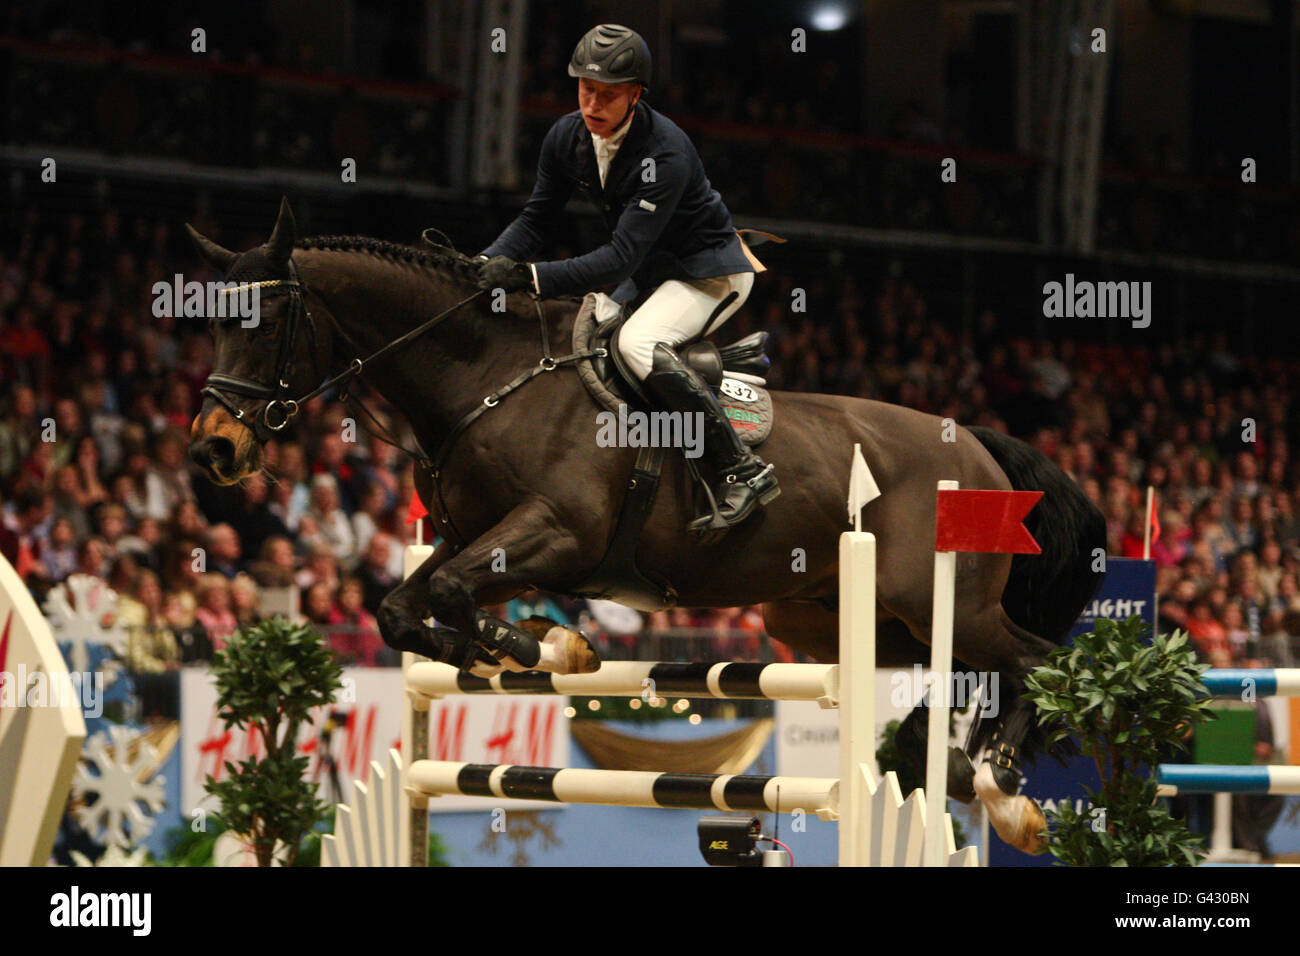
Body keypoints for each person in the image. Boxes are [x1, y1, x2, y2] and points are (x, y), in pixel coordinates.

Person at [474, 23, 779, 531]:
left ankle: (741, 470)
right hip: (653, 272)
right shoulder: (565, 136)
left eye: (608, 95)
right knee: (585, 336)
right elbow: (534, 220)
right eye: (585, 89)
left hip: (706, 272)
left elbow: (617, 259)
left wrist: (527, 278)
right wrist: (481, 265)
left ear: (635, 96)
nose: (592, 104)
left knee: (637, 345)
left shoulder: (666, 153)